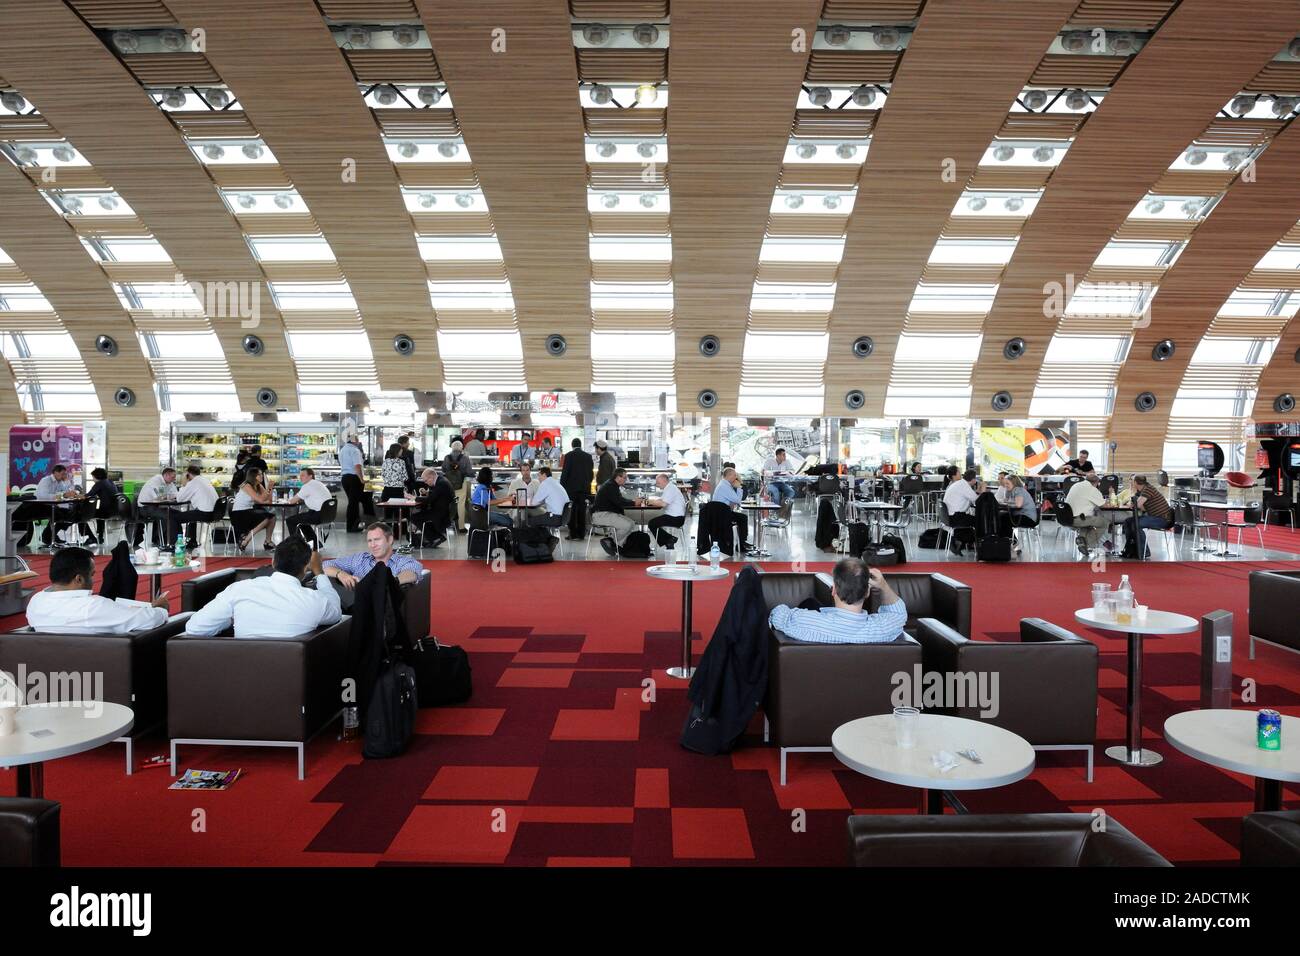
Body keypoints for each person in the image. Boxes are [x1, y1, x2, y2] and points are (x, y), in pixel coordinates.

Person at [185, 537, 341, 639]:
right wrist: (319, 572)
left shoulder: (240, 590)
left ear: (273, 562)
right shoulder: (313, 601)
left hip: (237, 679)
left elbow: (194, 628)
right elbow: (336, 612)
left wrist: (230, 619)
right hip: (292, 680)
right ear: (307, 567)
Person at [25, 546, 170, 634]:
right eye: (92, 574)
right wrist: (162, 609)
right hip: (104, 666)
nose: (94, 580)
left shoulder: (36, 602)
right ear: (79, 579)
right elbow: (149, 620)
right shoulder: (93, 607)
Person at [768, 558, 907, 643]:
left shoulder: (802, 621)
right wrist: (883, 585)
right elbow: (898, 614)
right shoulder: (883, 629)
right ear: (867, 592)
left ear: (834, 589)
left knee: (810, 603)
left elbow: (777, 613)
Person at [323, 522, 424, 607]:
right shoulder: (361, 558)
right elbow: (325, 565)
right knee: (325, 580)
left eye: (377, 540)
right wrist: (341, 574)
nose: (373, 545)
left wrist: (383, 583)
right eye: (369, 541)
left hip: (379, 609)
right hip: (354, 607)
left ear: (390, 540)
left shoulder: (401, 561)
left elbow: (412, 571)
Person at [1120, 474, 1173, 559]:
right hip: (1156, 517)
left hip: (1163, 519)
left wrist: (1132, 503)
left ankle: (1143, 552)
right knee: (1127, 522)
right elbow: (1142, 507)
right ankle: (1131, 548)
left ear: (1135, 482)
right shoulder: (1144, 490)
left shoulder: (1148, 490)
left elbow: (1136, 505)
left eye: (1133, 481)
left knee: (1135, 524)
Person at [172, 464, 220, 549]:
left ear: (188, 474)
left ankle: (177, 544)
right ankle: (192, 541)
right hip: (215, 513)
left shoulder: (193, 482)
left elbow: (179, 498)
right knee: (191, 513)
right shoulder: (204, 480)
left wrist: (184, 483)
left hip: (205, 513)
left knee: (175, 517)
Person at [284, 466, 333, 547]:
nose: (300, 477)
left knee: (290, 520)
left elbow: (292, 501)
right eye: (300, 475)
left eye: (303, 475)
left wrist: (284, 501)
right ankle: (316, 544)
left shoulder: (307, 486)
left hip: (319, 515)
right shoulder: (318, 483)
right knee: (303, 521)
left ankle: (298, 545)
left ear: (310, 476)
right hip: (328, 515)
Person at [711, 466, 756, 555]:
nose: (736, 477)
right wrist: (739, 487)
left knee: (741, 517)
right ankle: (742, 544)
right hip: (722, 514)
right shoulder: (725, 486)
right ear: (729, 475)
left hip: (721, 512)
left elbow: (735, 501)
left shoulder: (725, 484)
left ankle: (742, 542)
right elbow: (738, 501)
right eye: (734, 475)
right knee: (742, 518)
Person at [592, 468, 637, 556]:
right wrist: (634, 502)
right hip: (601, 515)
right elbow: (619, 502)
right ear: (618, 477)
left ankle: (615, 545)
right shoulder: (610, 486)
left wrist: (633, 502)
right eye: (624, 477)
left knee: (631, 523)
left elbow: (619, 500)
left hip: (607, 513)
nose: (625, 480)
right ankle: (610, 541)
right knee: (627, 525)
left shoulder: (612, 485)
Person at [231, 465, 276, 552]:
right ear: (253, 476)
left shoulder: (259, 486)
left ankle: (268, 542)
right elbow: (261, 499)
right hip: (239, 514)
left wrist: (270, 488)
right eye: (260, 475)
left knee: (272, 517)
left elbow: (268, 500)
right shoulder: (246, 485)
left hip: (249, 511)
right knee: (267, 518)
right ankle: (246, 539)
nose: (262, 476)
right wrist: (268, 489)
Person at [1064, 471, 1108, 557]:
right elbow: (1104, 505)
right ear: (1096, 483)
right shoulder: (1092, 489)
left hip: (1066, 517)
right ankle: (1087, 544)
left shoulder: (1076, 485)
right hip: (1079, 519)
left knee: (1088, 521)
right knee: (1104, 522)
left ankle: (1082, 541)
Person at [408, 468, 454, 548]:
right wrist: (427, 492)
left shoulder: (441, 484)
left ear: (431, 477)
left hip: (441, 514)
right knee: (421, 515)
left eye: (426, 481)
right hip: (443, 510)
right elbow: (437, 495)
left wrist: (414, 498)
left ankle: (436, 537)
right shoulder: (441, 480)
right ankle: (435, 537)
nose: (425, 483)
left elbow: (429, 500)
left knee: (415, 517)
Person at [134, 467, 178, 548]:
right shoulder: (155, 481)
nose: (174, 479)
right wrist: (169, 496)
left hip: (157, 507)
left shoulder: (169, 482)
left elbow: (176, 494)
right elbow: (159, 497)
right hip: (145, 507)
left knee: (176, 514)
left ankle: (176, 540)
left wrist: (169, 496)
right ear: (166, 475)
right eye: (173, 477)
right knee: (168, 516)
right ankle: (164, 541)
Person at [560, 438, 594, 540]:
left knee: (572, 511)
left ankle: (573, 534)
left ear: (572, 445)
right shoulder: (588, 456)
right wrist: (587, 483)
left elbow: (565, 472)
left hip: (571, 489)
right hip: (584, 489)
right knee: (582, 510)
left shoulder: (569, 456)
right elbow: (591, 473)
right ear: (580, 445)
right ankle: (581, 534)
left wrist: (562, 486)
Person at [941, 468, 981, 554]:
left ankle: (962, 541)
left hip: (948, 517)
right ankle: (977, 546)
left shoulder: (960, 484)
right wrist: (983, 491)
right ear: (974, 480)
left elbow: (970, 497)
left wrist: (976, 493)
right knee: (980, 521)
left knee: (972, 519)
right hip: (956, 517)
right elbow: (978, 501)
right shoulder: (964, 486)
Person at [646, 472, 687, 549]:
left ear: (665, 481)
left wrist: (650, 502)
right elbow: (661, 500)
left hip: (676, 518)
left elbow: (663, 504)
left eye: (658, 483)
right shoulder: (670, 487)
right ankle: (669, 540)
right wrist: (653, 501)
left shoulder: (670, 488)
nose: (657, 485)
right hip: (675, 516)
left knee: (652, 523)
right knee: (653, 523)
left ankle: (670, 539)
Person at [525, 465, 570, 530]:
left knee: (528, 521)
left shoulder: (545, 483)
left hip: (554, 518)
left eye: (539, 475)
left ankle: (540, 538)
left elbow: (534, 503)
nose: (538, 478)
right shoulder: (555, 482)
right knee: (538, 518)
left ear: (544, 475)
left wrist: (530, 499)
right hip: (563, 518)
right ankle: (546, 537)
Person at [83, 467, 121, 545]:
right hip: (114, 511)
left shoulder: (99, 484)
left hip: (105, 512)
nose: (93, 479)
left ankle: (92, 537)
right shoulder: (110, 482)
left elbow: (88, 496)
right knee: (99, 513)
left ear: (97, 477)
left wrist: (76, 495)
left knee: (83, 515)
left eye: (93, 477)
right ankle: (99, 537)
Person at [1003, 474, 1038, 555]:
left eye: (1007, 483)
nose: (1005, 485)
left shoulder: (1018, 490)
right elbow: (1006, 500)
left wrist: (1007, 502)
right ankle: (1009, 543)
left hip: (1028, 518)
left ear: (1014, 483)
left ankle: (1012, 542)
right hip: (1022, 515)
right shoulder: (1010, 491)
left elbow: (1018, 504)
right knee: (1002, 518)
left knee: (1003, 519)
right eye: (1005, 483)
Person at [338, 434, 367, 533]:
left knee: (352, 502)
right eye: (358, 440)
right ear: (355, 441)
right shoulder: (355, 450)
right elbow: (357, 466)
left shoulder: (342, 450)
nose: (359, 442)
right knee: (353, 503)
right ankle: (353, 526)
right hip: (354, 478)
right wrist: (361, 479)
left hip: (345, 478)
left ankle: (351, 525)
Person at [762, 448, 797, 522]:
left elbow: (792, 471)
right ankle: (775, 513)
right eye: (783, 455)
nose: (785, 456)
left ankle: (783, 509)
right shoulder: (769, 461)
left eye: (785, 455)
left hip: (782, 483)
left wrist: (788, 473)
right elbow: (763, 471)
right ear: (778, 455)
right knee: (775, 492)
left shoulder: (787, 462)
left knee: (791, 492)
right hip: (770, 483)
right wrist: (771, 473)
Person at [443, 439, 472, 529]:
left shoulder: (447, 457)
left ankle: (446, 525)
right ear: (461, 448)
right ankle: (461, 527)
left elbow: (443, 469)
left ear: (452, 447)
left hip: (448, 485)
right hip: (461, 484)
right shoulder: (465, 458)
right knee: (461, 505)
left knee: (448, 504)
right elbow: (469, 472)